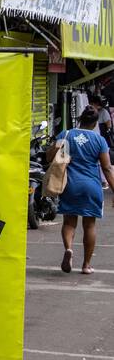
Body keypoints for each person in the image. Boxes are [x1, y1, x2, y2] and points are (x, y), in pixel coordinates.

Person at [46, 105, 114, 275]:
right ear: (95, 123)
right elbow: (106, 168)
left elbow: (49, 157)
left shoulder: (66, 134)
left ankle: (69, 249)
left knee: (69, 222)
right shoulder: (100, 140)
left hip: (70, 184)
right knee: (89, 225)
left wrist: (57, 148)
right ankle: (86, 265)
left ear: (80, 119)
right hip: (92, 185)